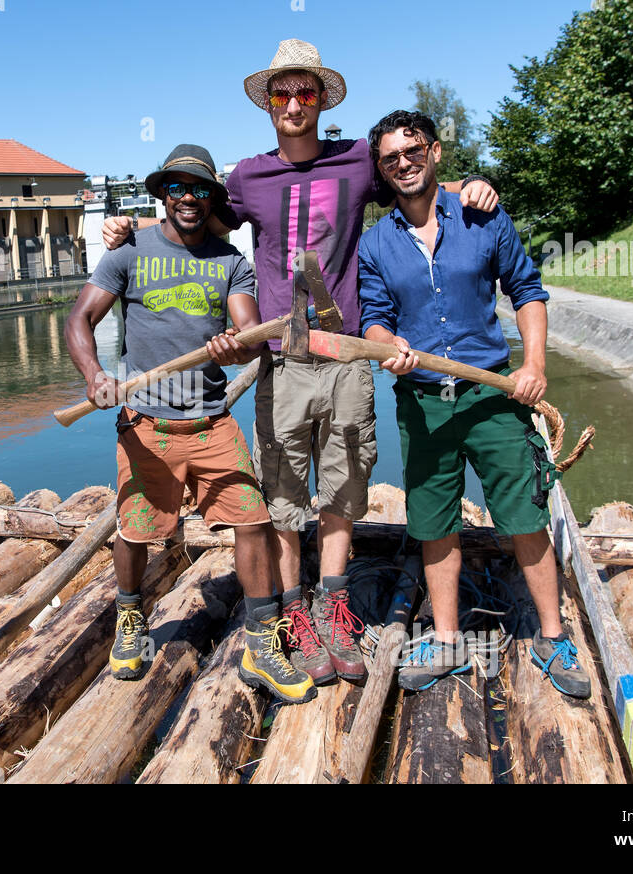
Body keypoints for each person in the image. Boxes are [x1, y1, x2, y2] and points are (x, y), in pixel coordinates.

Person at [104, 40, 501, 686]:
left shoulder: (355, 163)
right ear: (268, 105)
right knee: (285, 494)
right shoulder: (246, 179)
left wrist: (468, 188)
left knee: (344, 485)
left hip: (344, 355)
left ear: (322, 101)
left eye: (305, 93)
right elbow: (195, 226)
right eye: (282, 94)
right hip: (281, 361)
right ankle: (293, 611)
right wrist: (130, 230)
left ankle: (335, 605)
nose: (293, 104)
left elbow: (414, 180)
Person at [65, 143, 316, 704]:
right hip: (146, 423)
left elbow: (248, 330)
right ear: (162, 194)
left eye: (200, 190)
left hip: (211, 423)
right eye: (178, 187)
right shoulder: (128, 252)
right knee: (134, 529)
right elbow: (80, 317)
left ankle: (260, 641)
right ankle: (131, 620)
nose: (188, 198)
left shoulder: (232, 262)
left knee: (253, 521)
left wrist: (236, 348)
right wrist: (93, 374)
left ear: (212, 200)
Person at [358, 110, 590, 698]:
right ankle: (446, 638)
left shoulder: (483, 216)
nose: (404, 163)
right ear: (381, 171)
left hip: (493, 394)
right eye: (391, 158)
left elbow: (528, 291)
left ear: (435, 152)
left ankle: (552, 636)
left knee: (526, 516)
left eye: (413, 151)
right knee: (434, 523)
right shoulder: (375, 244)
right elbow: (373, 320)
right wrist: (389, 347)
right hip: (423, 402)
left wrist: (533, 366)